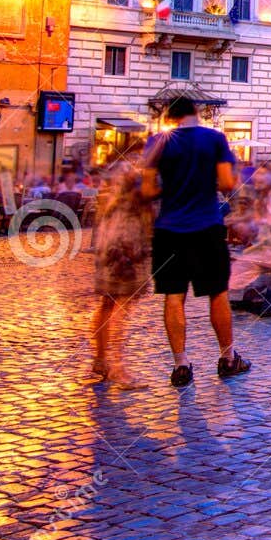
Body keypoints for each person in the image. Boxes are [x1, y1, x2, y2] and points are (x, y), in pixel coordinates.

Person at [141, 97, 247, 387]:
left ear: (170, 116)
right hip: (206, 226)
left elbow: (148, 189)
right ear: (195, 114)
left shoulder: (157, 142)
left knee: (174, 296)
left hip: (169, 229)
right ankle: (227, 358)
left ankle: (181, 364)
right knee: (217, 293)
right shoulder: (214, 138)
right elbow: (227, 183)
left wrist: (172, 186)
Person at [89, 164, 152, 389]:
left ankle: (101, 359)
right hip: (127, 247)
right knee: (121, 309)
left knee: (108, 304)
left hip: (108, 245)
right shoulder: (139, 180)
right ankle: (118, 368)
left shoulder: (113, 183)